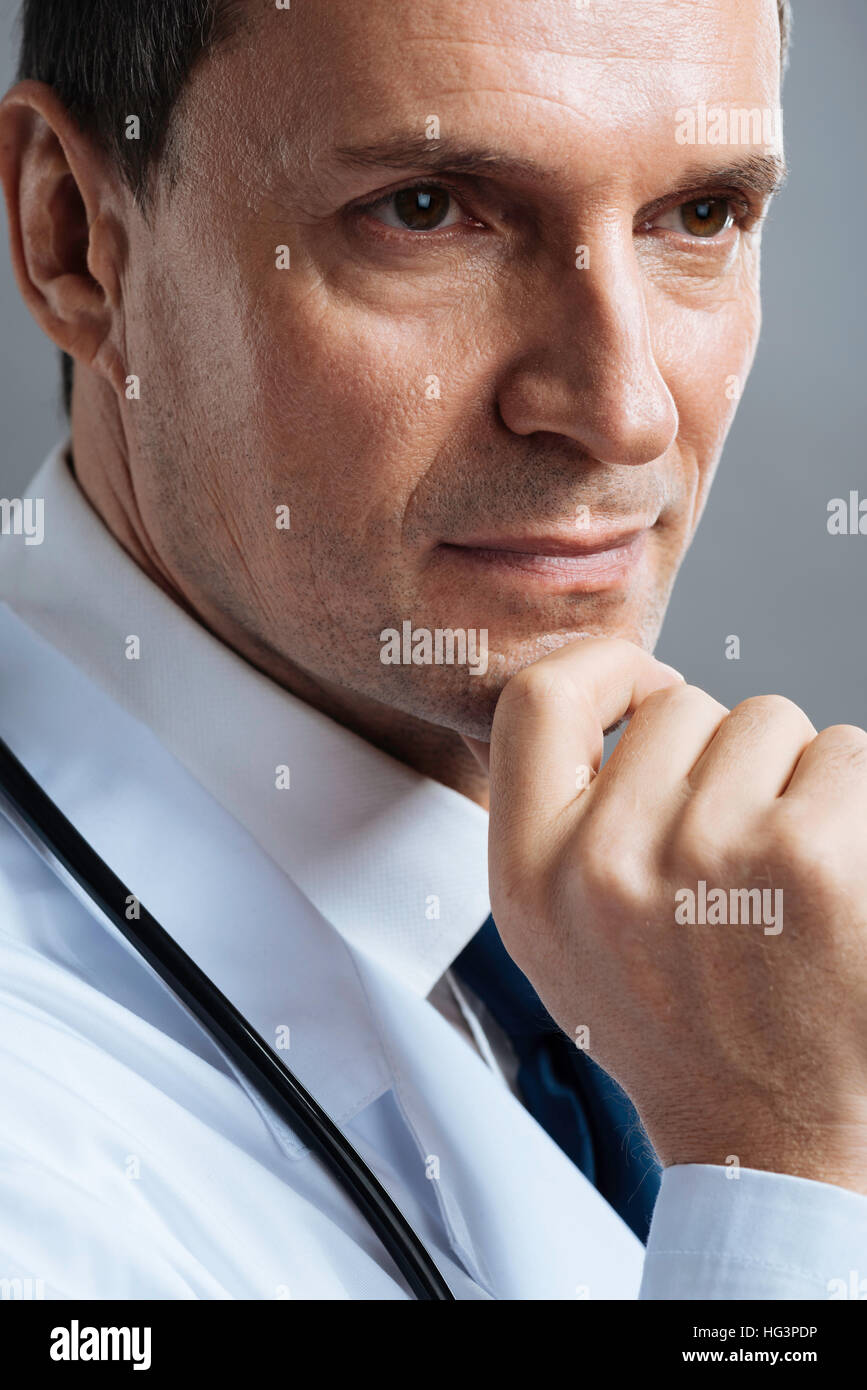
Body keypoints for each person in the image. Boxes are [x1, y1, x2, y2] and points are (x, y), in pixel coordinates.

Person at [1, 0, 865, 1300]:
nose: (624, 411)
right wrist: (781, 1184)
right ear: (74, 232)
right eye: (426, 210)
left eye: (699, 216)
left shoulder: (755, 964)